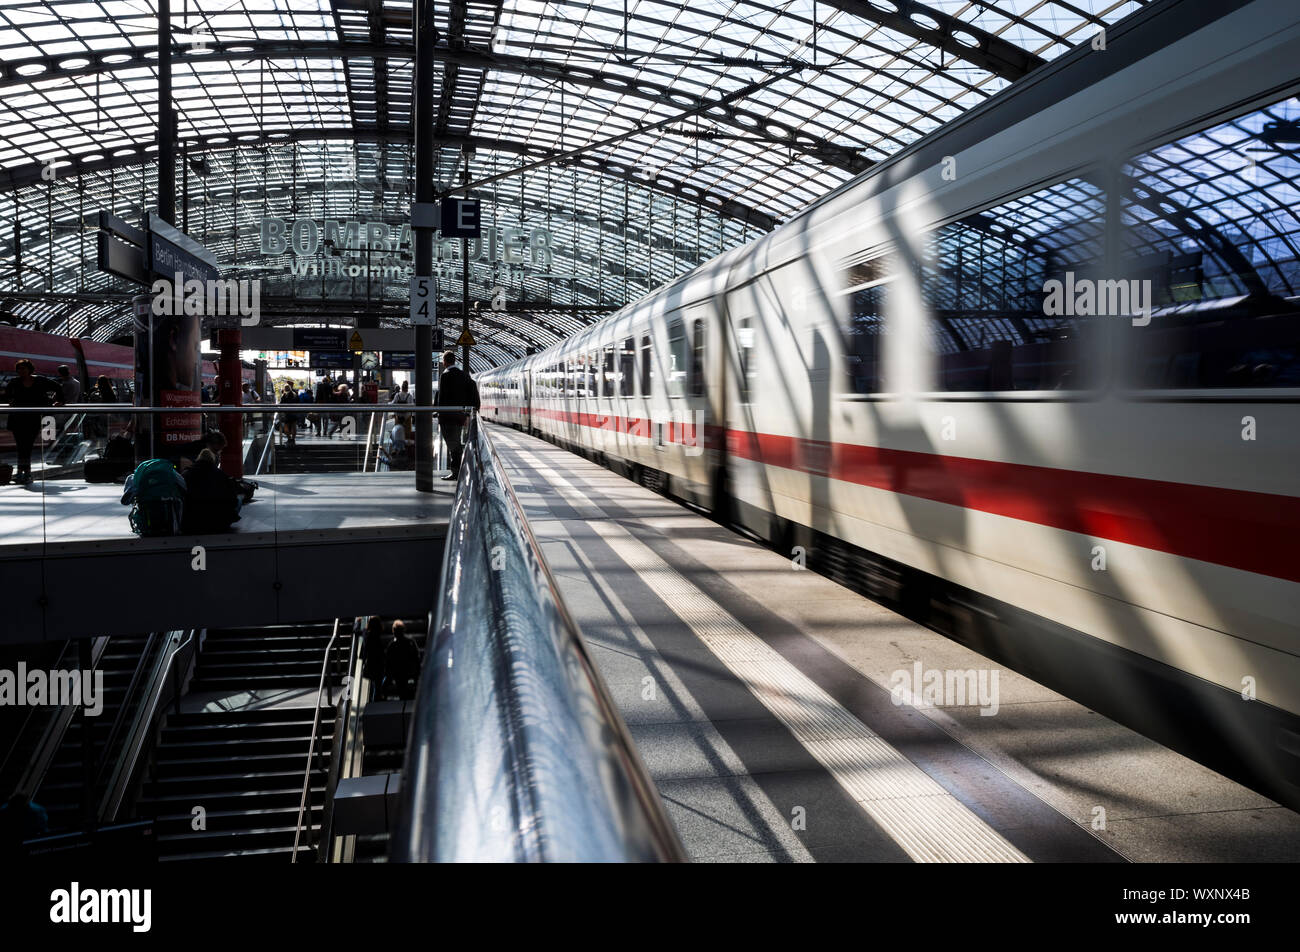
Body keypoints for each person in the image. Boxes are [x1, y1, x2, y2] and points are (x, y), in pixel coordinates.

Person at [4, 359, 63, 484]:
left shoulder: (40, 380)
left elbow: (58, 387)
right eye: (19, 369)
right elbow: (6, 395)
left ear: (30, 369)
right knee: (21, 446)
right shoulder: (14, 382)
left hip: (33, 419)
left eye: (23, 368)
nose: (21, 371)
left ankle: (25, 472)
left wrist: (60, 401)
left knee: (27, 446)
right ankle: (23, 473)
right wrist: (10, 401)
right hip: (17, 419)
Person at [436, 351, 480, 480]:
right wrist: (469, 411)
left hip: (447, 416)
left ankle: (457, 472)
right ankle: (461, 469)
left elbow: (442, 398)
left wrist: (439, 413)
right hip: (460, 415)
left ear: (445, 362)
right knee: (455, 442)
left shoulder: (445, 376)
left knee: (452, 444)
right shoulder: (464, 375)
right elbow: (472, 389)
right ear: (454, 360)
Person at [182, 447, 242, 533]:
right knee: (239, 499)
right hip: (219, 522)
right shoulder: (221, 474)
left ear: (198, 459)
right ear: (213, 460)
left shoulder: (186, 473)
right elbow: (232, 498)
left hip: (193, 521)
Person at [381, 620, 420, 700]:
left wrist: (388, 673)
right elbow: (416, 657)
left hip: (398, 672)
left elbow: (388, 661)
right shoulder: (410, 642)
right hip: (409, 669)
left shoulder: (392, 645)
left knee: (400, 688)